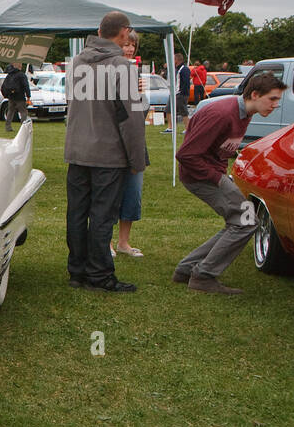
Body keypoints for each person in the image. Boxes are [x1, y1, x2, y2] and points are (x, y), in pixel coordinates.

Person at [172, 71, 284, 294]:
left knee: (240, 221)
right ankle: (203, 276)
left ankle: (186, 270)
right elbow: (186, 155)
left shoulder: (245, 113)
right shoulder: (222, 113)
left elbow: (219, 145)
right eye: (272, 99)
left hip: (211, 174)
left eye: (277, 100)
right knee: (246, 221)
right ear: (254, 94)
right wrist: (219, 180)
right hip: (202, 177)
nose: (275, 105)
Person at [63, 11, 145, 293]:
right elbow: (131, 118)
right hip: (107, 152)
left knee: (77, 212)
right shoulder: (122, 66)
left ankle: (77, 270)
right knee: (102, 214)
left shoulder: (76, 62)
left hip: (78, 149)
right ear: (124, 32)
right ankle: (99, 275)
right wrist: (137, 159)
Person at [111, 32, 148, 258]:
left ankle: (124, 242)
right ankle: (107, 243)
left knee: (132, 195)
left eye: (132, 46)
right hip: (113, 144)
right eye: (126, 45)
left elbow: (140, 113)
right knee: (110, 195)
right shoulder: (109, 72)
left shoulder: (136, 73)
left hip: (135, 144)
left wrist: (141, 96)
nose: (129, 49)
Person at [0, 61, 31, 132]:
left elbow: (3, 86)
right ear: (19, 66)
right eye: (20, 64)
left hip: (11, 97)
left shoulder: (9, 75)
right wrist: (28, 96)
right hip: (20, 97)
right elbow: (26, 85)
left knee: (10, 111)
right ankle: (23, 128)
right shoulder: (21, 75)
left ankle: (8, 127)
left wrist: (6, 95)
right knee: (23, 112)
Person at [166, 52, 191, 133]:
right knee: (168, 109)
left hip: (181, 93)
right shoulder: (175, 69)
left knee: (183, 111)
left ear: (176, 60)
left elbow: (186, 82)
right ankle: (170, 127)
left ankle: (188, 128)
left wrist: (182, 92)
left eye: (173, 59)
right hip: (174, 93)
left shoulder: (184, 69)